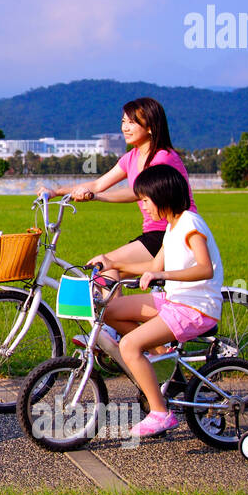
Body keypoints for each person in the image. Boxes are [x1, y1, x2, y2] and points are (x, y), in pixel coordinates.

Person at [89, 164, 224, 439]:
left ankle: (160, 413)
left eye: (146, 201)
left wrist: (161, 274)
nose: (144, 207)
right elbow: (152, 264)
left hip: (195, 307)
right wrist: (111, 263)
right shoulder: (172, 228)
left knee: (128, 344)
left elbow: (204, 268)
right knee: (109, 311)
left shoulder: (190, 224)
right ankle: (161, 356)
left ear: (164, 197)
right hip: (175, 300)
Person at [40, 97, 196, 281]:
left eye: (132, 122)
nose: (125, 128)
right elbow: (98, 184)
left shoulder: (162, 158)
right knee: (104, 276)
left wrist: (96, 197)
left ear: (150, 127)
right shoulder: (132, 157)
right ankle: (115, 309)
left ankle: (115, 310)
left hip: (172, 231)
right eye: (123, 121)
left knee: (105, 267)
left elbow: (138, 193)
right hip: (153, 233)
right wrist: (54, 192)